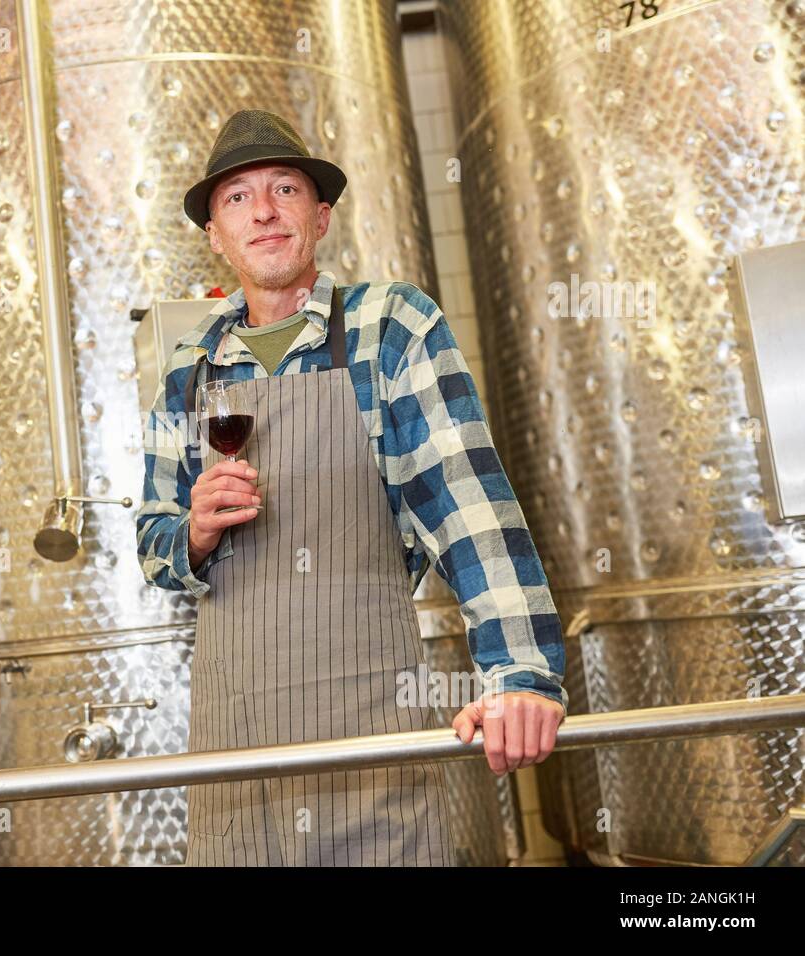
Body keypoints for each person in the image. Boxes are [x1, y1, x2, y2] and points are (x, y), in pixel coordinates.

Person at [135, 109, 568, 866]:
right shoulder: (188, 366)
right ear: (214, 232)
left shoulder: (389, 324)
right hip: (239, 756)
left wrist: (521, 675)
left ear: (320, 215)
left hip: (373, 733)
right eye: (236, 198)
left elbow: (469, 504)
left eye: (284, 190)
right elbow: (153, 537)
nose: (263, 211)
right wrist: (194, 535)